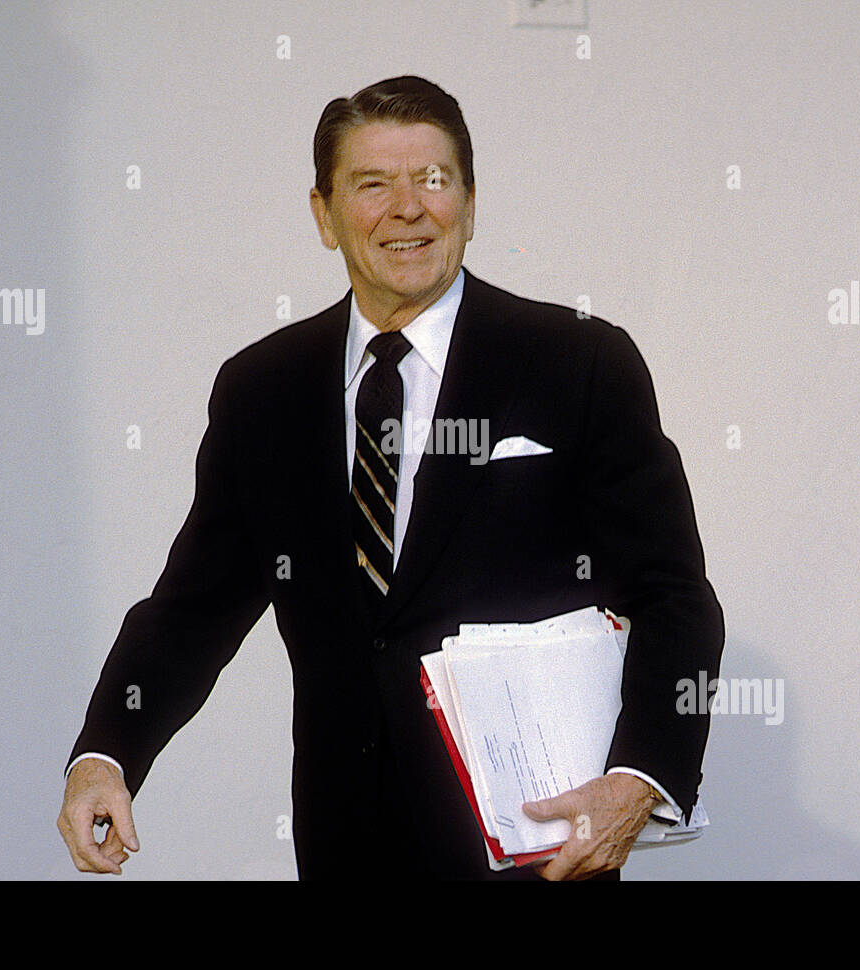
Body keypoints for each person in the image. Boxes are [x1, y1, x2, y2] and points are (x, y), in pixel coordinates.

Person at [57, 75, 725, 881]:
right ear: (324, 214)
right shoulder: (263, 390)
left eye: (433, 180)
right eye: (373, 184)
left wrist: (639, 779)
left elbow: (674, 598)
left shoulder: (580, 362)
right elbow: (192, 609)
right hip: (347, 851)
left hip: (537, 860)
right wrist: (105, 753)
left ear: (470, 205)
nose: (407, 208)